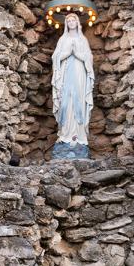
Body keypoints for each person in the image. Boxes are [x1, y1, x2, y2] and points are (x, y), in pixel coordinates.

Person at [51, 10, 94, 160]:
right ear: (66, 24)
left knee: (79, 103)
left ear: (77, 23)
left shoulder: (83, 40)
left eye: (73, 20)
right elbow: (55, 58)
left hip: (79, 76)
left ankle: (79, 135)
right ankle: (65, 134)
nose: (71, 23)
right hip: (65, 75)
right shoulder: (62, 40)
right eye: (68, 21)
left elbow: (88, 58)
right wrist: (67, 53)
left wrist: (78, 54)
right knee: (65, 103)